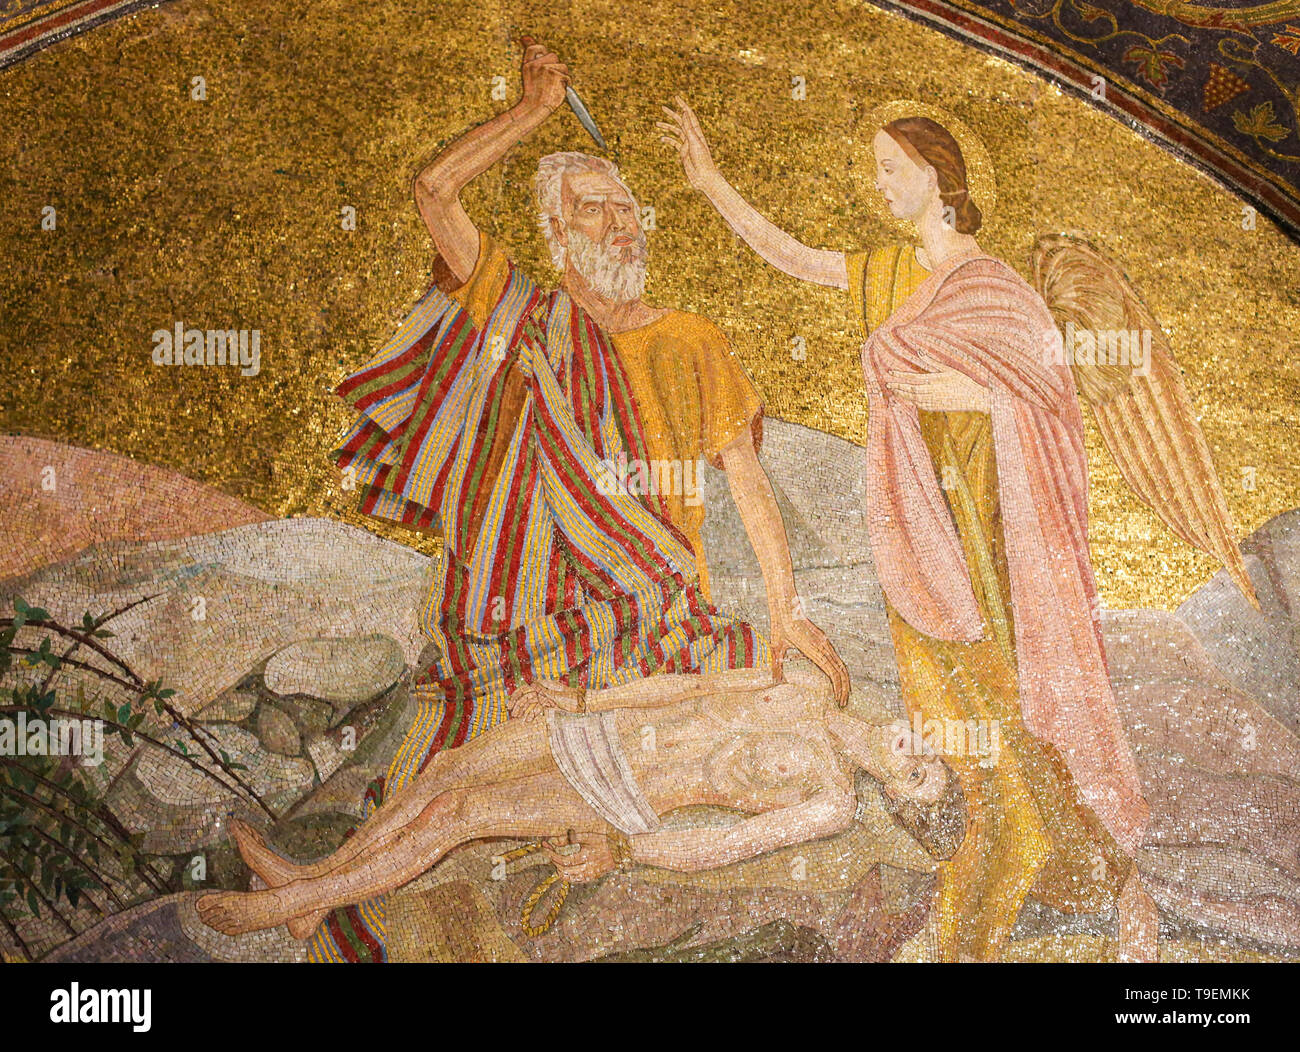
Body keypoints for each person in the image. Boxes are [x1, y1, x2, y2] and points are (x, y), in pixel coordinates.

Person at [659, 100, 1159, 961]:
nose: (879, 184)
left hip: (995, 555)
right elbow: (793, 257)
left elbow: (1053, 403)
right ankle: (981, 902)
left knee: (1024, 719)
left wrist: (985, 398)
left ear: (935, 177)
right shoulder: (889, 275)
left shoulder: (1001, 288)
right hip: (924, 547)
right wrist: (709, 184)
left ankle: (1115, 884)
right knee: (961, 748)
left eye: (890, 169)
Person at [196, 666, 961, 938]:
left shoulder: (832, 801)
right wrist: (587, 696)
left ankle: (283, 906)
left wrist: (624, 849)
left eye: (920, 777)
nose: (918, 754)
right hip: (610, 728)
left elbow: (718, 847)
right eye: (933, 755)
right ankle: (311, 885)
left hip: (620, 789)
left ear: (898, 800)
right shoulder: (814, 686)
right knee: (448, 769)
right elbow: (695, 687)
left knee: (453, 819)